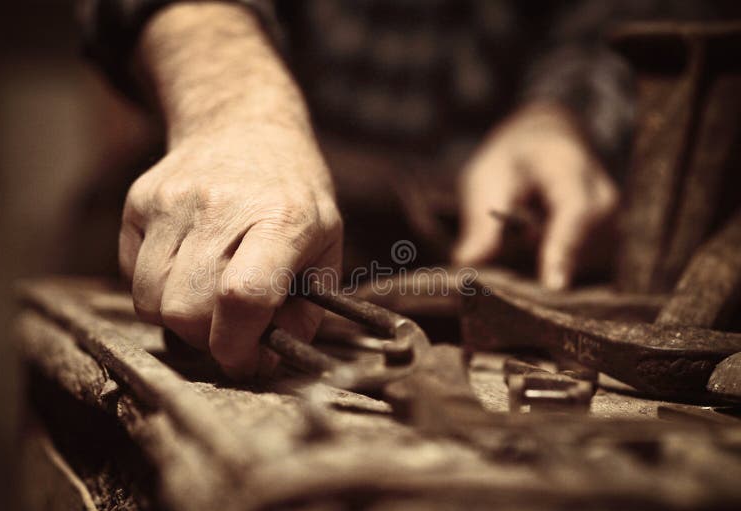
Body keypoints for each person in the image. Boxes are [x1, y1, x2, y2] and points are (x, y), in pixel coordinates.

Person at [80, 0, 706, 379]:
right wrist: (236, 109)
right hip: (212, 228)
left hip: (470, 242)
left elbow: (616, 14)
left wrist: (561, 114)